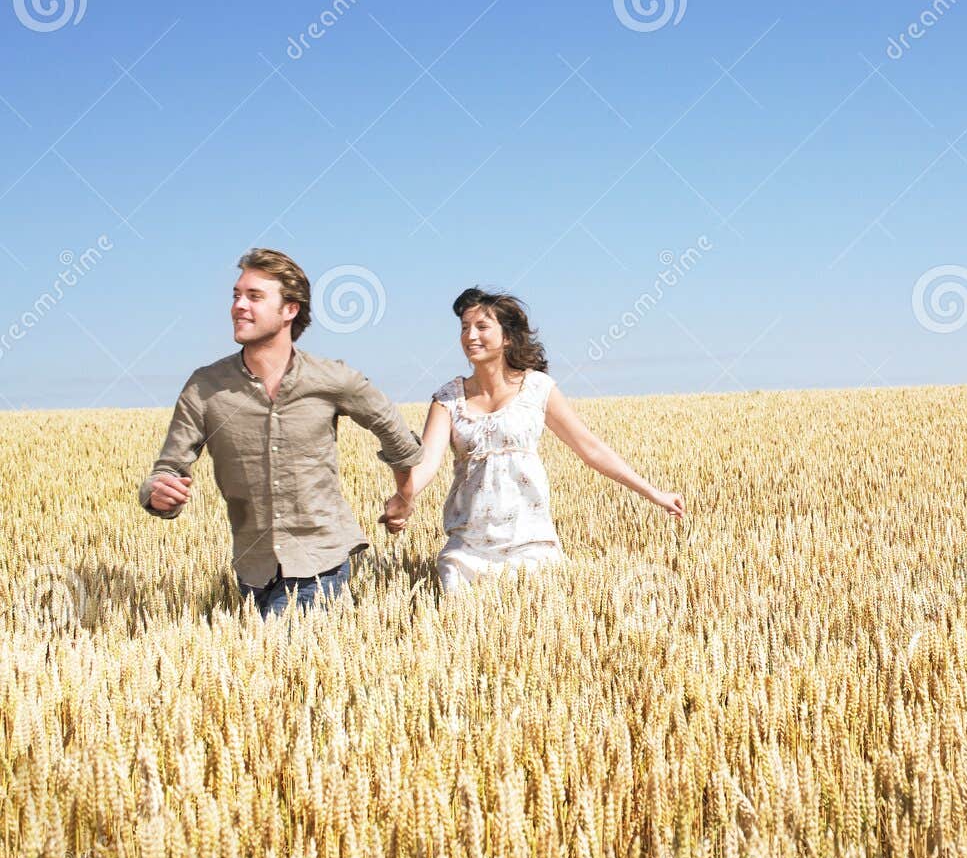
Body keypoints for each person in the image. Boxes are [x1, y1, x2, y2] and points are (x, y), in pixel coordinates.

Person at [138, 250, 424, 618]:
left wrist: (404, 495)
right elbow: (169, 468)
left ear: (289, 310)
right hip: (252, 572)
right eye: (236, 295)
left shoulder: (331, 378)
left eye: (254, 297)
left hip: (321, 566)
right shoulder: (205, 387)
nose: (239, 305)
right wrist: (160, 494)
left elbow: (396, 435)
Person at [381, 287, 684, 593]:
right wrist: (403, 497)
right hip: (467, 546)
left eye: (482, 327)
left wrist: (654, 494)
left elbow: (589, 448)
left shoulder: (538, 388)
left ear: (508, 336)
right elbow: (428, 464)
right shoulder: (447, 399)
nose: (470, 335)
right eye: (464, 328)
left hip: (530, 540)